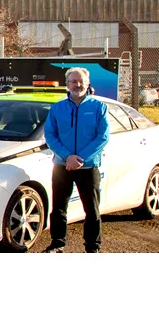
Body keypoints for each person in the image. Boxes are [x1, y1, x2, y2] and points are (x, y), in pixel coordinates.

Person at [43, 67, 110, 253]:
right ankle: (57, 243)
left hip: (88, 167)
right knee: (58, 208)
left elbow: (102, 137)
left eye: (81, 81)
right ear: (67, 84)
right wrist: (67, 156)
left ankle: (92, 247)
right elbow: (50, 135)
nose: (77, 85)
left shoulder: (99, 107)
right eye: (73, 81)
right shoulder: (57, 108)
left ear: (88, 84)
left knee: (92, 210)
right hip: (62, 166)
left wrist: (80, 158)